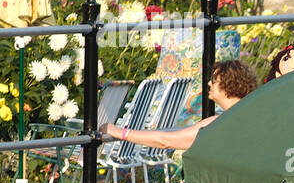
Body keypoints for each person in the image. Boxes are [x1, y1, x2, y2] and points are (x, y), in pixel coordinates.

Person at [102, 60, 258, 152]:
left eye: (215, 81)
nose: (209, 83)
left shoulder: (220, 122)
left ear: (229, 85)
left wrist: (119, 132)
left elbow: (166, 141)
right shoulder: (250, 112)